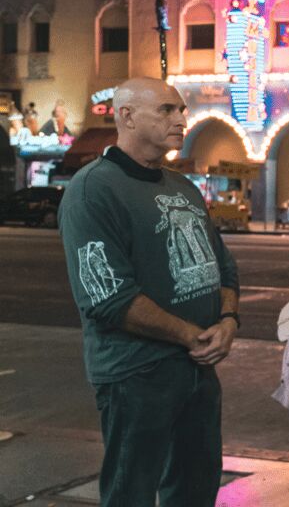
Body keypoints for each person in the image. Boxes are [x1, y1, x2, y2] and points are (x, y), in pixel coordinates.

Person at [58, 78, 240, 507]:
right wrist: (191, 335)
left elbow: (224, 267)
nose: (181, 120)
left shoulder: (183, 187)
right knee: (131, 492)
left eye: (181, 110)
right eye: (166, 110)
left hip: (196, 372)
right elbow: (108, 297)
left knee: (196, 489)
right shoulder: (93, 189)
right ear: (126, 116)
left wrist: (229, 320)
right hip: (135, 375)